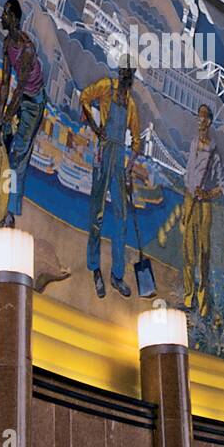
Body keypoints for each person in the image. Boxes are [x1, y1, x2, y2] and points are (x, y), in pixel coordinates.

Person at [81, 63, 142, 299]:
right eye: (124, 73)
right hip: (103, 152)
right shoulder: (106, 87)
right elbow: (85, 98)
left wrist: (129, 167)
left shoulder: (132, 105)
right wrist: (96, 129)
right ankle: (95, 268)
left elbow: (137, 141)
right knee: (96, 213)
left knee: (122, 219)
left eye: (130, 75)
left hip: (119, 161)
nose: (126, 78)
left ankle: (117, 275)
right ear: (120, 73)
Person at [0, 0, 45, 226]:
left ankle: (10, 212)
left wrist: (7, 115)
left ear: (13, 18)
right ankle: (0, 200)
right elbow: (5, 82)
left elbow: (20, 89)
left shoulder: (26, 49)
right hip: (20, 98)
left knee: (18, 156)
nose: (2, 17)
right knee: (4, 144)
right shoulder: (7, 43)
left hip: (33, 103)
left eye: (5, 14)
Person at [180, 104, 224, 317]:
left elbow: (222, 188)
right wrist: (184, 205)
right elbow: (187, 176)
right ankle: (188, 299)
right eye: (199, 117)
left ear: (209, 122)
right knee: (188, 253)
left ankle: (204, 305)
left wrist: (207, 194)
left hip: (204, 207)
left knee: (203, 256)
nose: (201, 121)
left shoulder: (213, 152)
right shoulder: (193, 144)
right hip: (189, 202)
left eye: (205, 117)